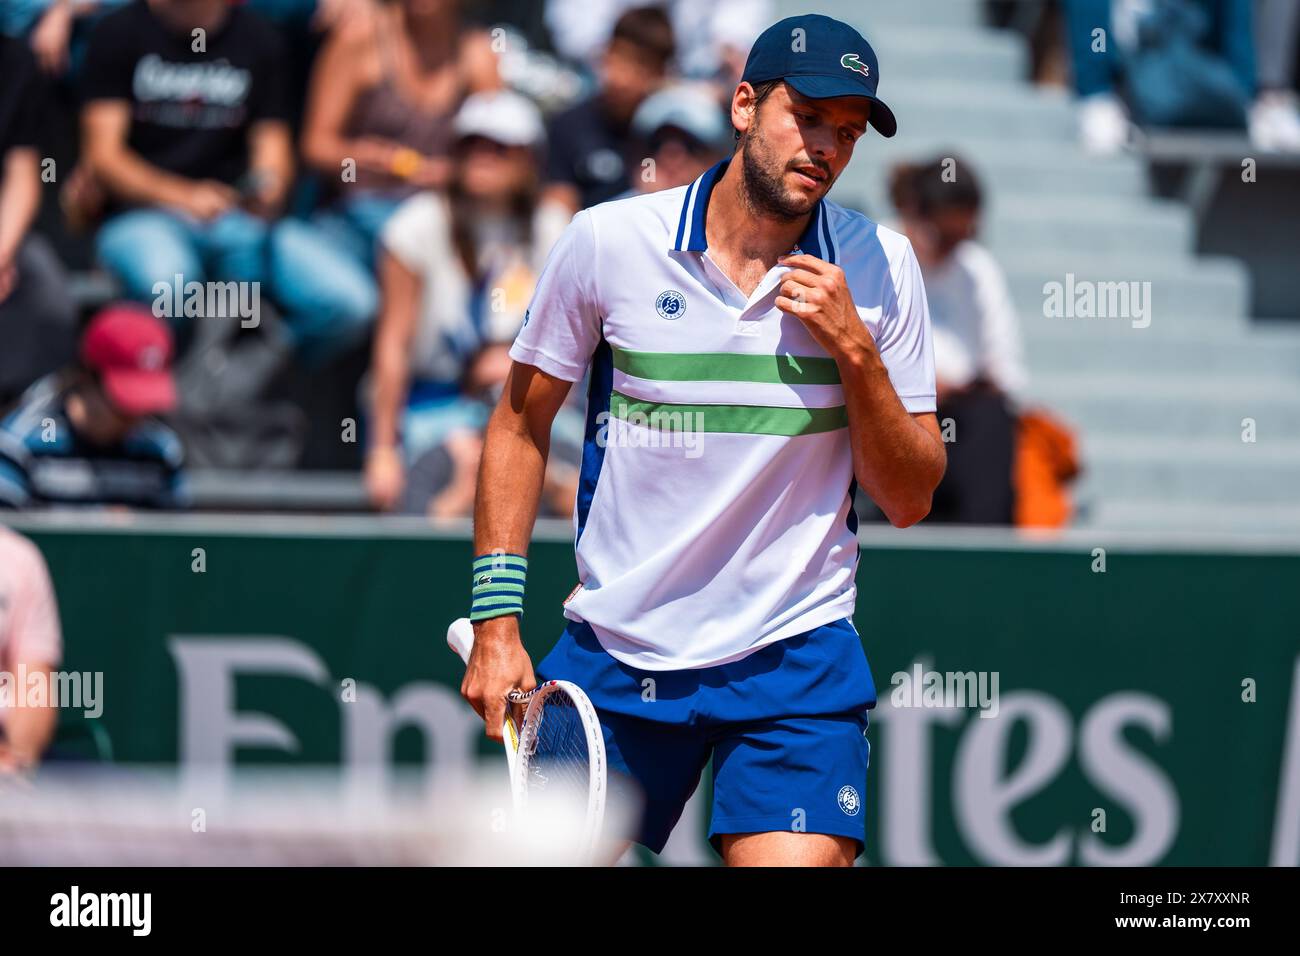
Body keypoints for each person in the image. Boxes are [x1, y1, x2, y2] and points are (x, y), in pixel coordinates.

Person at [462, 15, 945, 866]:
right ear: (746, 105)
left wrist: (855, 353)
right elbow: (517, 421)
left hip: (796, 654)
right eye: (809, 116)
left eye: (849, 130)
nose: (827, 145)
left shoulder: (882, 269)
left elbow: (908, 497)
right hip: (620, 650)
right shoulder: (608, 243)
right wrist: (497, 619)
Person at [78, 0, 372, 364]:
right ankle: (156, 399)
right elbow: (104, 158)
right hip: (140, 217)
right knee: (171, 286)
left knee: (349, 302)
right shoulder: (119, 31)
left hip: (234, 218)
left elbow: (273, 148)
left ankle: (234, 385)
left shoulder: (260, 38)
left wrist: (266, 187)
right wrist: (184, 197)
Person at [364, 90, 548, 516]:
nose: (482, 156)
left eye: (500, 148)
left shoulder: (554, 228)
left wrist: (520, 371)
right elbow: (393, 344)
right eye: (471, 145)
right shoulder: (415, 225)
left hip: (529, 404)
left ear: (529, 160)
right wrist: (381, 449)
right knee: (436, 490)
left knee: (564, 474)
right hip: (432, 403)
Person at [296, 0, 500, 296]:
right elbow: (315, 146)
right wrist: (368, 159)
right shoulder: (360, 36)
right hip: (355, 218)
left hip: (440, 223)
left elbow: (502, 159)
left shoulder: (478, 53)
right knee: (354, 303)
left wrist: (452, 173)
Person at [890, 157, 1025, 525]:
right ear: (913, 212)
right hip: (888, 411)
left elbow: (1006, 370)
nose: (954, 247)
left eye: (963, 236)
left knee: (992, 422)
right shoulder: (878, 257)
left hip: (962, 417)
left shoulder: (977, 269)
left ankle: (982, 552)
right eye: (946, 235)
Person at [0, 303, 187, 510]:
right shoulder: (22, 442)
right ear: (88, 376)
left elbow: (176, 538)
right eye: (125, 403)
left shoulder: (160, 450)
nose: (135, 417)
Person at [537, 5, 673, 235]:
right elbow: (558, 207)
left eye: (639, 65)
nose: (621, 77)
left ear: (660, 73)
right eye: (618, 57)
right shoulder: (568, 125)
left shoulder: (672, 132)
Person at [0, 34, 78, 408]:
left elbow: (24, 176)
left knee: (52, 301)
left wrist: (0, 255)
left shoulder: (14, 62)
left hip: (5, 234)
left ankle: (24, 425)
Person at [0, 526, 62, 774]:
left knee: (122, 789)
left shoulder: (20, 558)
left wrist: (17, 764)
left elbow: (34, 689)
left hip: (8, 752)